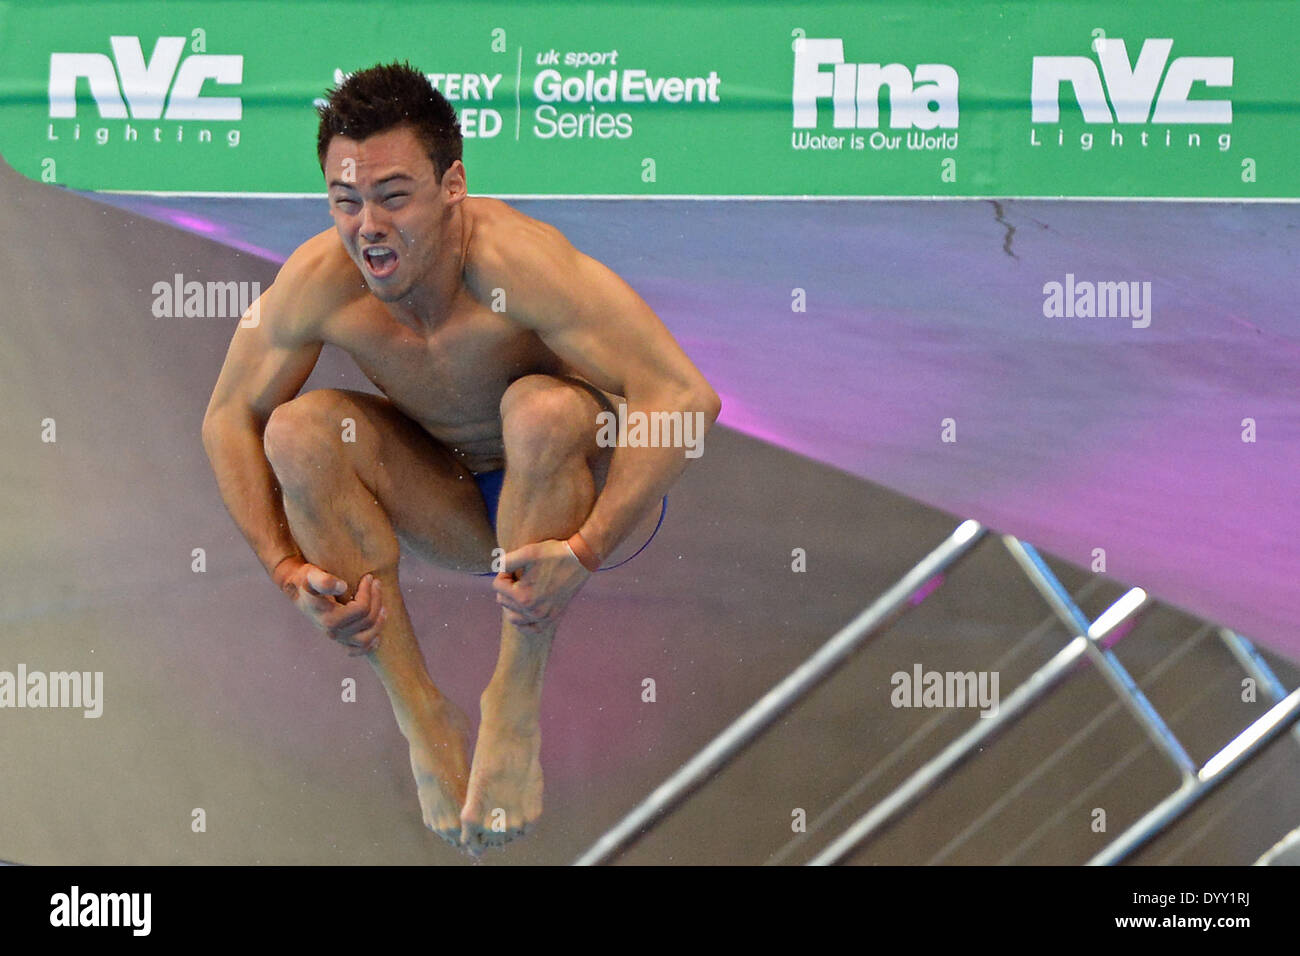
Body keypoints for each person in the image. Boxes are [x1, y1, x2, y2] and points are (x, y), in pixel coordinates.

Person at [201, 61, 720, 854]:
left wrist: (584, 550)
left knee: (539, 409)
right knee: (295, 433)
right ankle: (422, 716)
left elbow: (685, 400)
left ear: (452, 186)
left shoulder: (519, 264)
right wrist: (282, 568)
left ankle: (514, 702)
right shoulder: (320, 283)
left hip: (584, 496)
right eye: (345, 202)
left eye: (392, 197)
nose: (367, 224)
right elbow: (228, 417)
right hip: (453, 505)